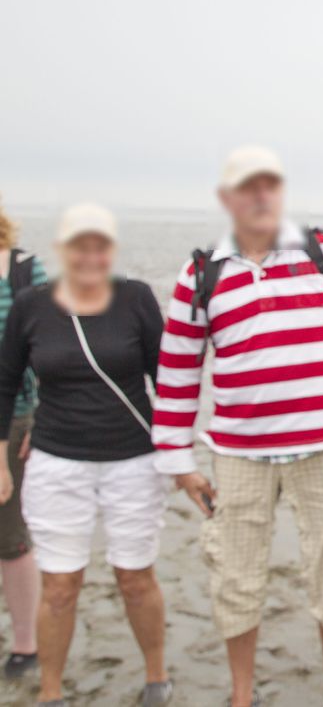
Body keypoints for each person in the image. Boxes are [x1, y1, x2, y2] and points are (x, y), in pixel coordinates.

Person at [151, 147, 323, 707]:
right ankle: (242, 694)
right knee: (235, 577)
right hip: (237, 454)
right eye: (247, 187)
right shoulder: (201, 272)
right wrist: (178, 461)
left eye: (269, 185)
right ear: (227, 198)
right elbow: (178, 370)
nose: (260, 195)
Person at [0, 203, 172, 707]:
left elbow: (169, 380)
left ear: (111, 249)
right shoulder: (32, 305)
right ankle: (51, 691)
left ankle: (157, 678)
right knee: (60, 586)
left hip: (133, 461)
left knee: (135, 577)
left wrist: (181, 457)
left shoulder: (137, 298)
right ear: (62, 249)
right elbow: (6, 383)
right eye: (80, 245)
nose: (90, 255)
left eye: (100, 245)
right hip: (57, 462)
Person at [0, 199, 46, 681]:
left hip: (12, 419)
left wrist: (41, 416)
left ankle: (25, 644)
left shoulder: (23, 268)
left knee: (10, 535)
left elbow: (48, 341)